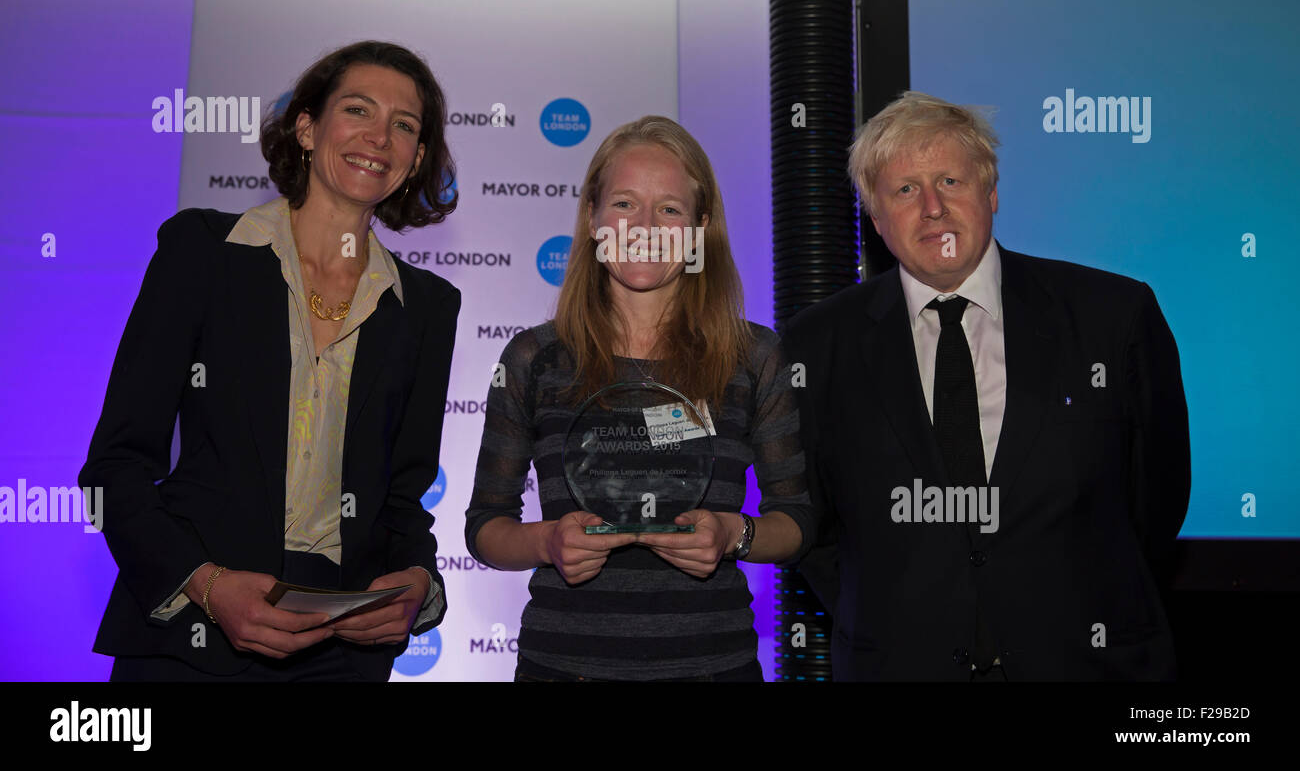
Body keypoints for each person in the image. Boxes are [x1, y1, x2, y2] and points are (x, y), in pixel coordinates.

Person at [80, 40, 462, 681]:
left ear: (417, 159)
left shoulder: (427, 307)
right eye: (358, 111)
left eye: (405, 126)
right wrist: (205, 586)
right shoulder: (200, 252)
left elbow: (402, 501)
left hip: (343, 652)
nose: (380, 137)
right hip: (190, 635)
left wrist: (417, 587)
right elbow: (114, 469)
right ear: (307, 127)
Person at [783, 91, 1190, 681]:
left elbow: (1155, 501)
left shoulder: (1113, 317)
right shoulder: (816, 344)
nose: (932, 208)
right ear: (875, 220)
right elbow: (811, 523)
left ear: (991, 193)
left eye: (951, 180)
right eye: (904, 190)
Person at [465, 116, 815, 681]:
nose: (645, 226)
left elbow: (796, 520)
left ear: (700, 228)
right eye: (625, 203)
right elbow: (485, 527)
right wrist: (547, 541)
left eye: (670, 209)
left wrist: (734, 535)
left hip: (713, 666)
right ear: (592, 217)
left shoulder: (754, 357)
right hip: (563, 666)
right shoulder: (534, 359)